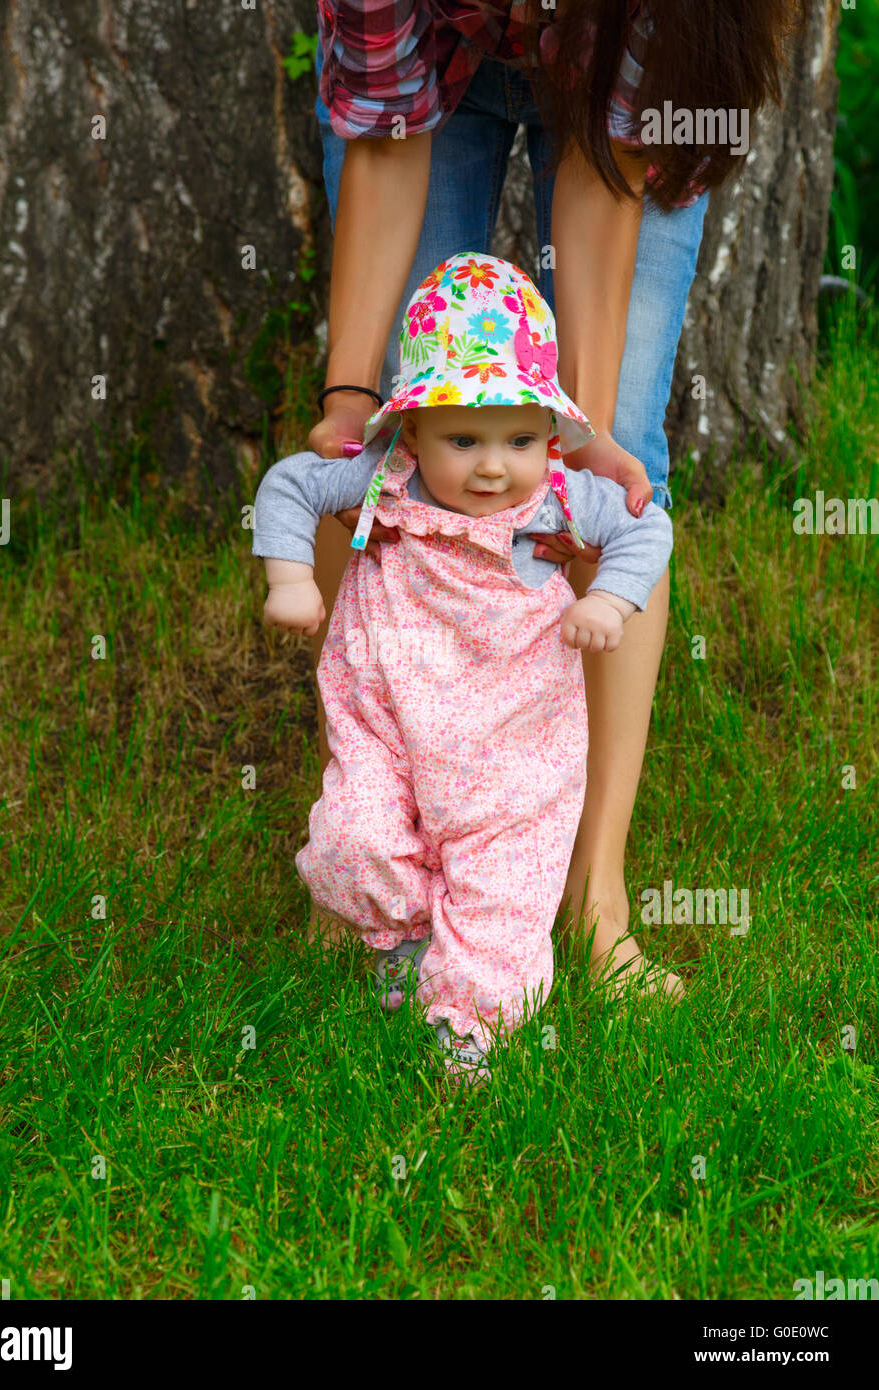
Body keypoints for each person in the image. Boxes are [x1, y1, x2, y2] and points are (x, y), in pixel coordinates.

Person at [305, 0, 804, 994]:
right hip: (426, 77)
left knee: (623, 476)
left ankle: (593, 895)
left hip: (617, 72)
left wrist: (582, 446)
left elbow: (603, 178)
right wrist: (352, 405)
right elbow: (388, 145)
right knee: (381, 456)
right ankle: (371, 871)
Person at [254, 254, 675, 1083]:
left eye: (520, 439)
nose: (493, 466)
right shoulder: (384, 477)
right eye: (464, 440)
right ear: (410, 431)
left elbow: (644, 529)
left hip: (511, 753)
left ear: (551, 437)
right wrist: (290, 578)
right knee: (353, 841)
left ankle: (469, 1028)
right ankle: (405, 942)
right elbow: (290, 485)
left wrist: (609, 601)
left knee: (501, 896)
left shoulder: (556, 496)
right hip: (393, 730)